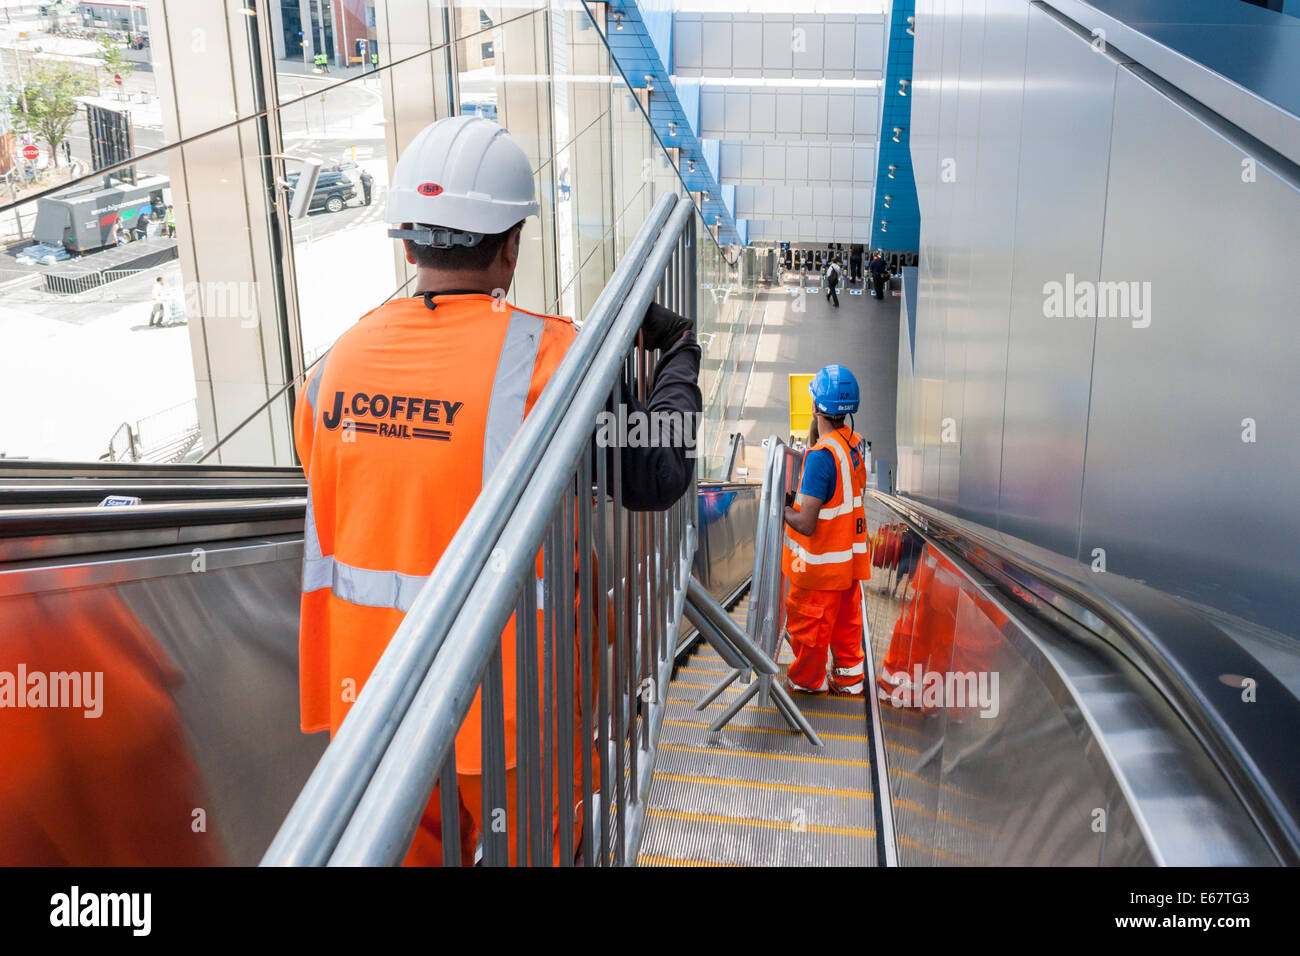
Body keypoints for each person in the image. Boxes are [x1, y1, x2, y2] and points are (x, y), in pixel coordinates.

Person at [293, 115, 701, 866]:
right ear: (511, 247)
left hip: (369, 713)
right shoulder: (550, 359)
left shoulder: (333, 367)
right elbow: (655, 475)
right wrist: (677, 355)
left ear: (408, 241)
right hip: (514, 716)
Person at [781, 365, 871, 695]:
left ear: (817, 407)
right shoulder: (854, 445)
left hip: (818, 568)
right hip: (848, 564)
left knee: (810, 628)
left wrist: (784, 508)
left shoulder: (820, 456)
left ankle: (807, 682)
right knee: (847, 627)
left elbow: (806, 523)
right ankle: (848, 681)